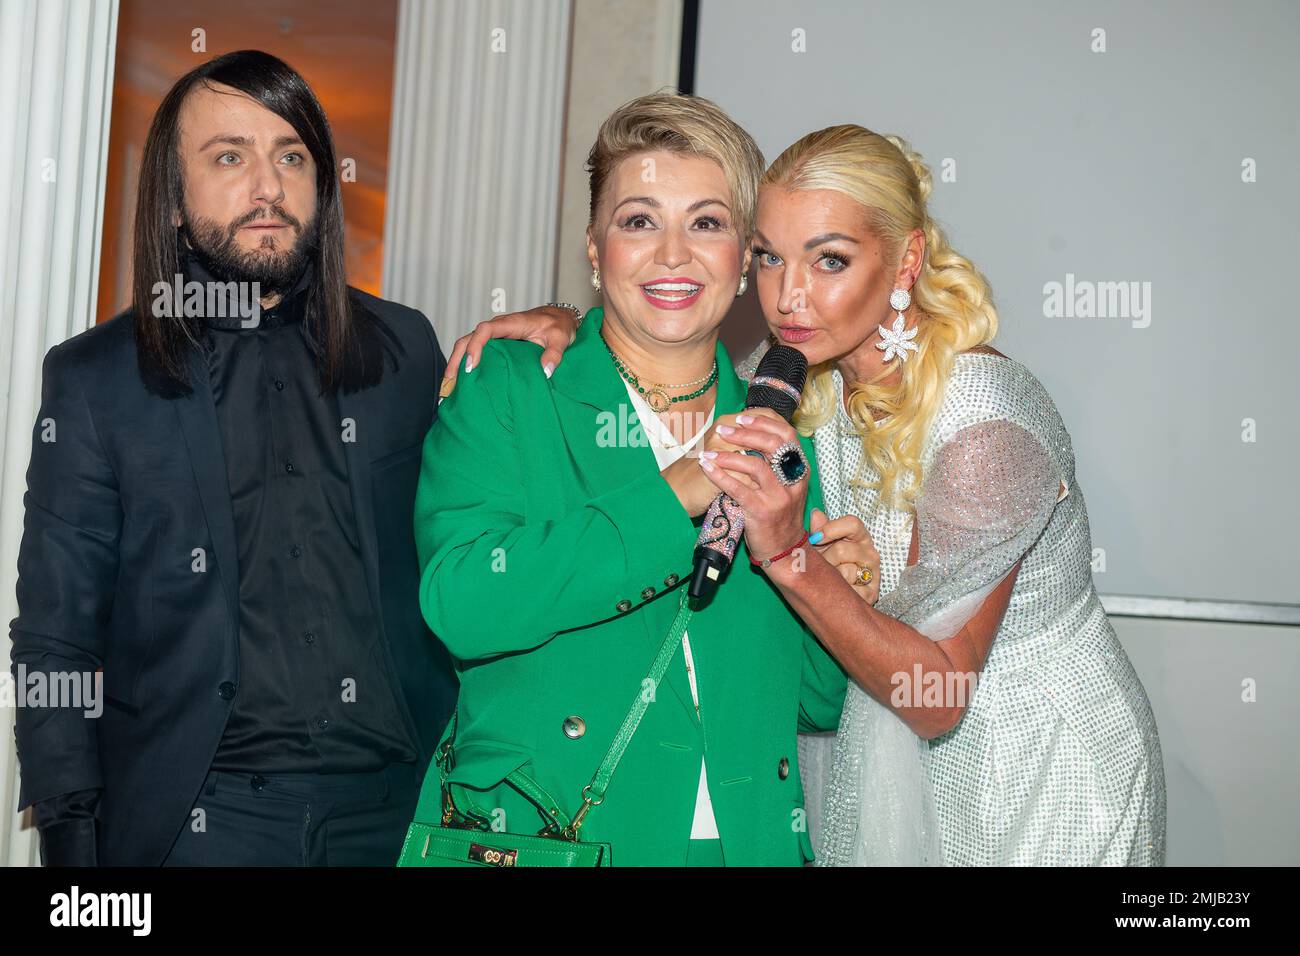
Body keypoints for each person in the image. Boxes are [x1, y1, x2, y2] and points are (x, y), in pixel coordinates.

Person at [467, 125, 1166, 866]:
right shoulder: (797, 378)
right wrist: (570, 325)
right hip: (870, 752)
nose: (788, 296)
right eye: (769, 256)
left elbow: (937, 699)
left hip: (1029, 774)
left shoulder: (985, 428)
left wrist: (792, 558)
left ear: (907, 259)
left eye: (829, 259)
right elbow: (662, 344)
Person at [8, 49, 557, 867]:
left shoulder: (405, 348)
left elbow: (493, 531)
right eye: (230, 156)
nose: (267, 185)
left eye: (291, 156)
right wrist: (71, 852)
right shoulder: (97, 380)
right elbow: (56, 637)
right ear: (172, 201)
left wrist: (579, 335)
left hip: (401, 814)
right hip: (198, 819)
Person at [401, 92, 875, 867]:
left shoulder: (781, 432)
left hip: (741, 846)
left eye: (708, 223)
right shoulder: (511, 388)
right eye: (639, 220)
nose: (673, 255)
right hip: (554, 838)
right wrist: (675, 492)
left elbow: (810, 703)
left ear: (744, 256)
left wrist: (831, 587)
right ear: (594, 248)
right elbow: (462, 605)